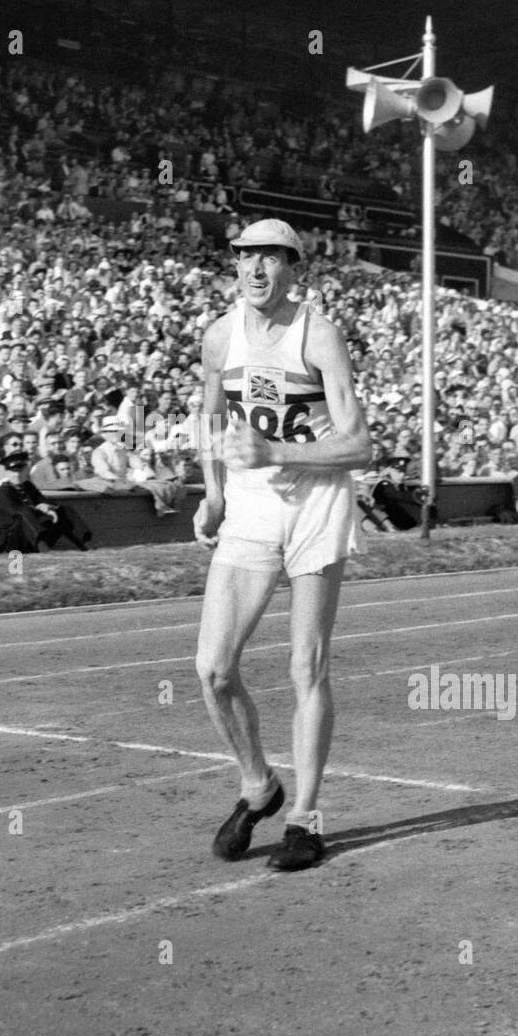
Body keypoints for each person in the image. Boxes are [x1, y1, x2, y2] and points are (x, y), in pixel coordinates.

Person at [193, 219, 371, 872]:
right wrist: (212, 491)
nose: (255, 270)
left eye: (270, 258)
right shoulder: (220, 336)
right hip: (252, 505)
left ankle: (305, 818)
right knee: (212, 668)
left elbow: (359, 445)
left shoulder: (318, 335)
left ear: (296, 269)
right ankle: (259, 786)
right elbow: (211, 413)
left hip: (318, 503)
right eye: (245, 258)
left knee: (307, 666)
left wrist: (277, 450)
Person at [0, 447, 93, 552]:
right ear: (7, 473)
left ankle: (87, 546)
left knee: (65, 511)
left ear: (26, 469)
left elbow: (44, 500)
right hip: (13, 540)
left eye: (20, 470)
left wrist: (48, 507)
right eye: (13, 471)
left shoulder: (28, 486)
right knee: (24, 513)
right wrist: (39, 508)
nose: (17, 474)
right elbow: (14, 511)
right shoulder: (4, 490)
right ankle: (44, 551)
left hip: (34, 535)